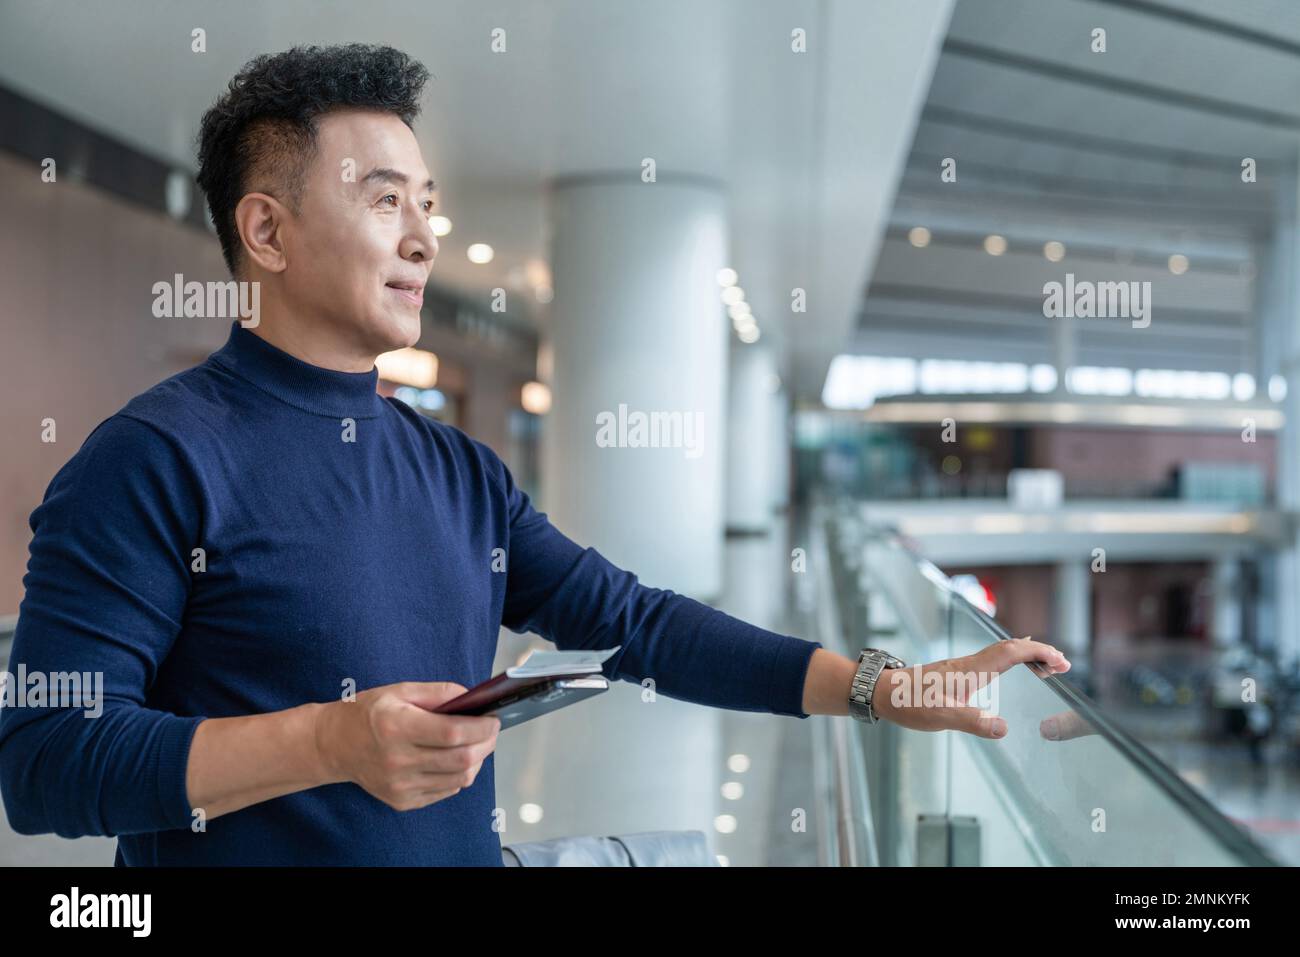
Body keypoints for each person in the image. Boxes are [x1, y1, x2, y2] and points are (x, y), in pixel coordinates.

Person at [0, 44, 1070, 865]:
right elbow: (45, 765)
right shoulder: (151, 459)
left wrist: (888, 688)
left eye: (427, 203)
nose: (422, 236)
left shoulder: (459, 471)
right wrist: (330, 742)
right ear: (268, 233)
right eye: (384, 201)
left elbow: (636, 623)